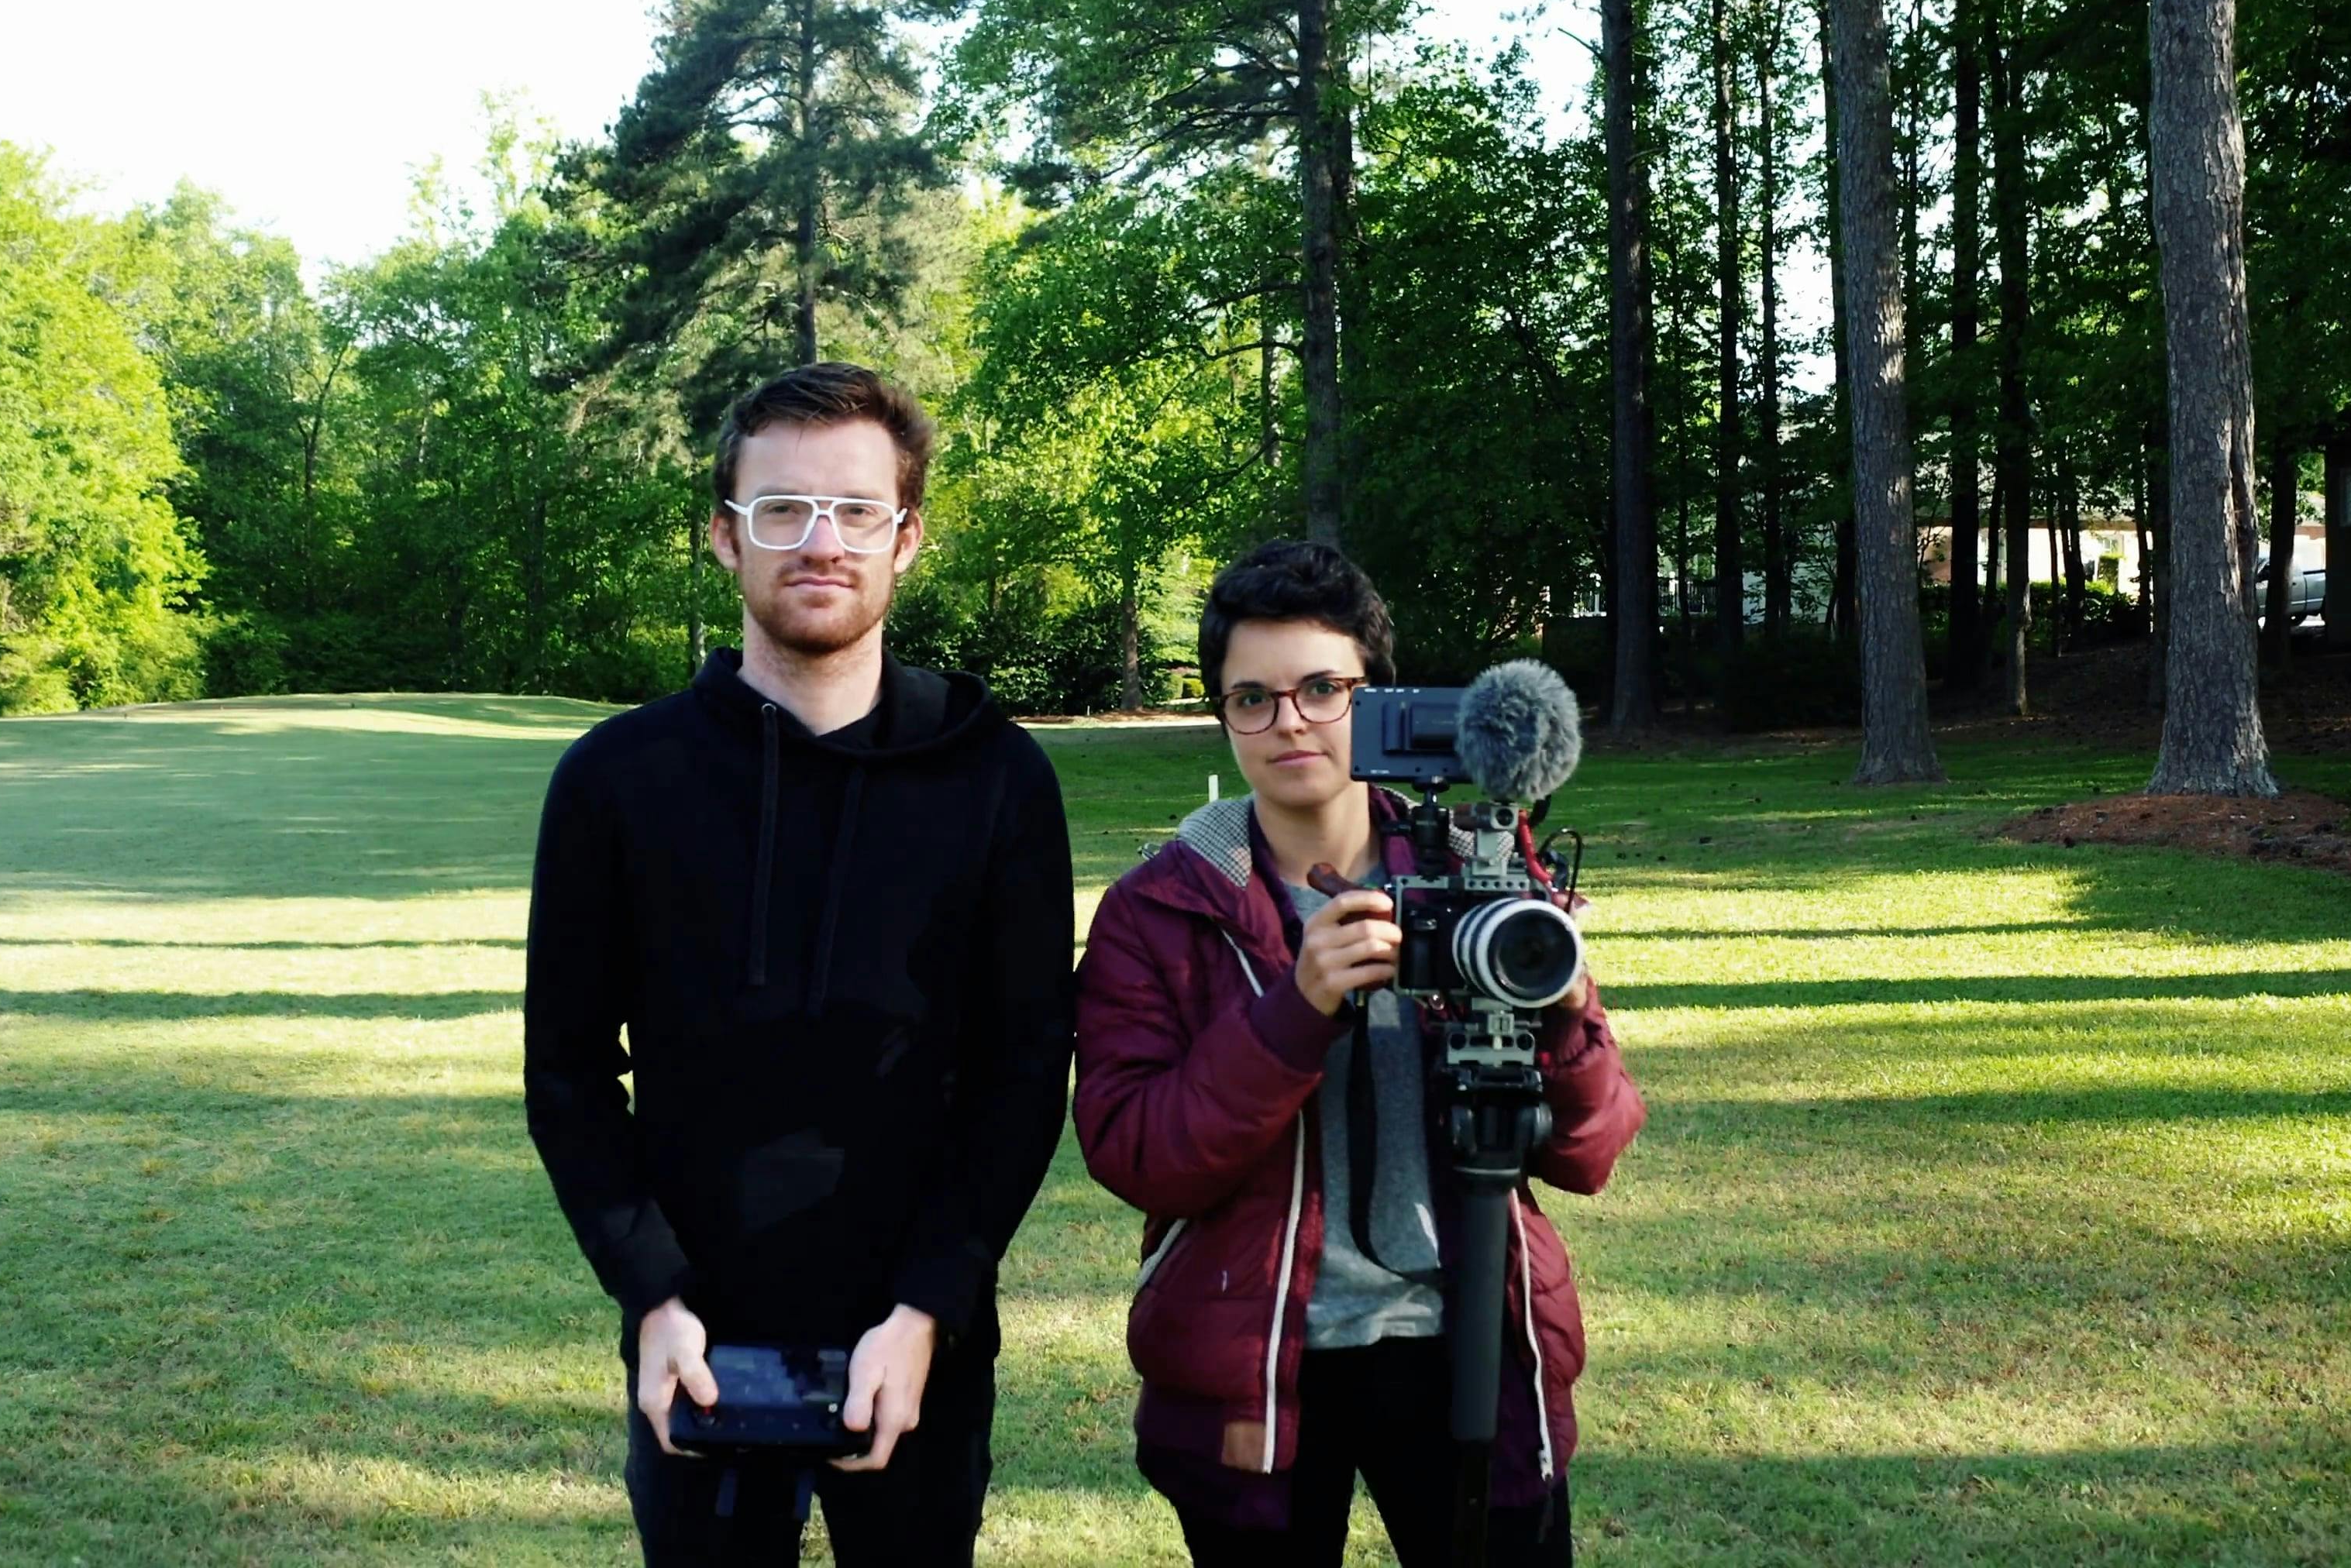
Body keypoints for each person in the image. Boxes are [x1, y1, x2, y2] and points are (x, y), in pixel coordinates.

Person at [522, 362, 1074, 1567]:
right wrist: (652, 1296)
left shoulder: (997, 778)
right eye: (782, 509)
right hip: (694, 1338)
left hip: (915, 1335)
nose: (820, 541)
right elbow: (566, 1072)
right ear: (726, 536)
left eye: (855, 510)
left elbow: (1025, 1069)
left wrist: (929, 1307)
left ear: (905, 537)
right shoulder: (616, 780)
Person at [1072, 540, 1646, 1566]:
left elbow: (1590, 1151)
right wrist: (1295, 1010)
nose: (1289, 721)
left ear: (1374, 696)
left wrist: (1562, 1010)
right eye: (1252, 698)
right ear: (1224, 716)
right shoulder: (1158, 909)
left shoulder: (1485, 873)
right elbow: (1138, 1155)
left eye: (1322, 689)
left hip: (1471, 1338)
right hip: (1257, 1356)